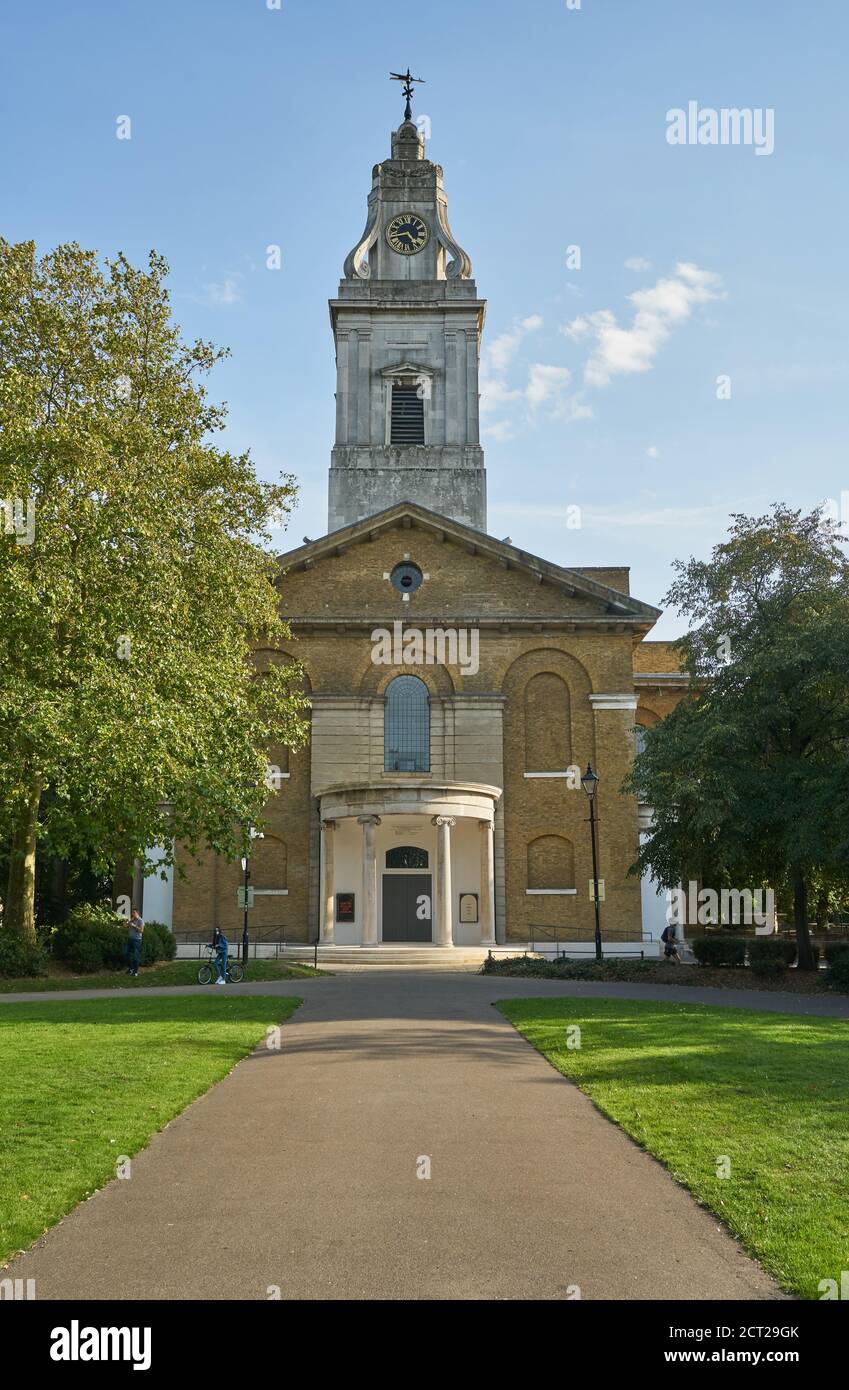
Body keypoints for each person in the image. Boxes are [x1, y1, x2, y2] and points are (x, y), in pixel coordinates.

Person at [126, 908, 144, 977]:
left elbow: (141, 931)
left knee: (136, 956)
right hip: (130, 939)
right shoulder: (132, 920)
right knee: (126, 953)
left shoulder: (140, 921)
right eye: (132, 913)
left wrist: (134, 926)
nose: (132, 914)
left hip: (137, 940)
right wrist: (127, 923)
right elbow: (125, 926)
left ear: (137, 913)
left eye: (134, 912)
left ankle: (135, 971)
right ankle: (131, 968)